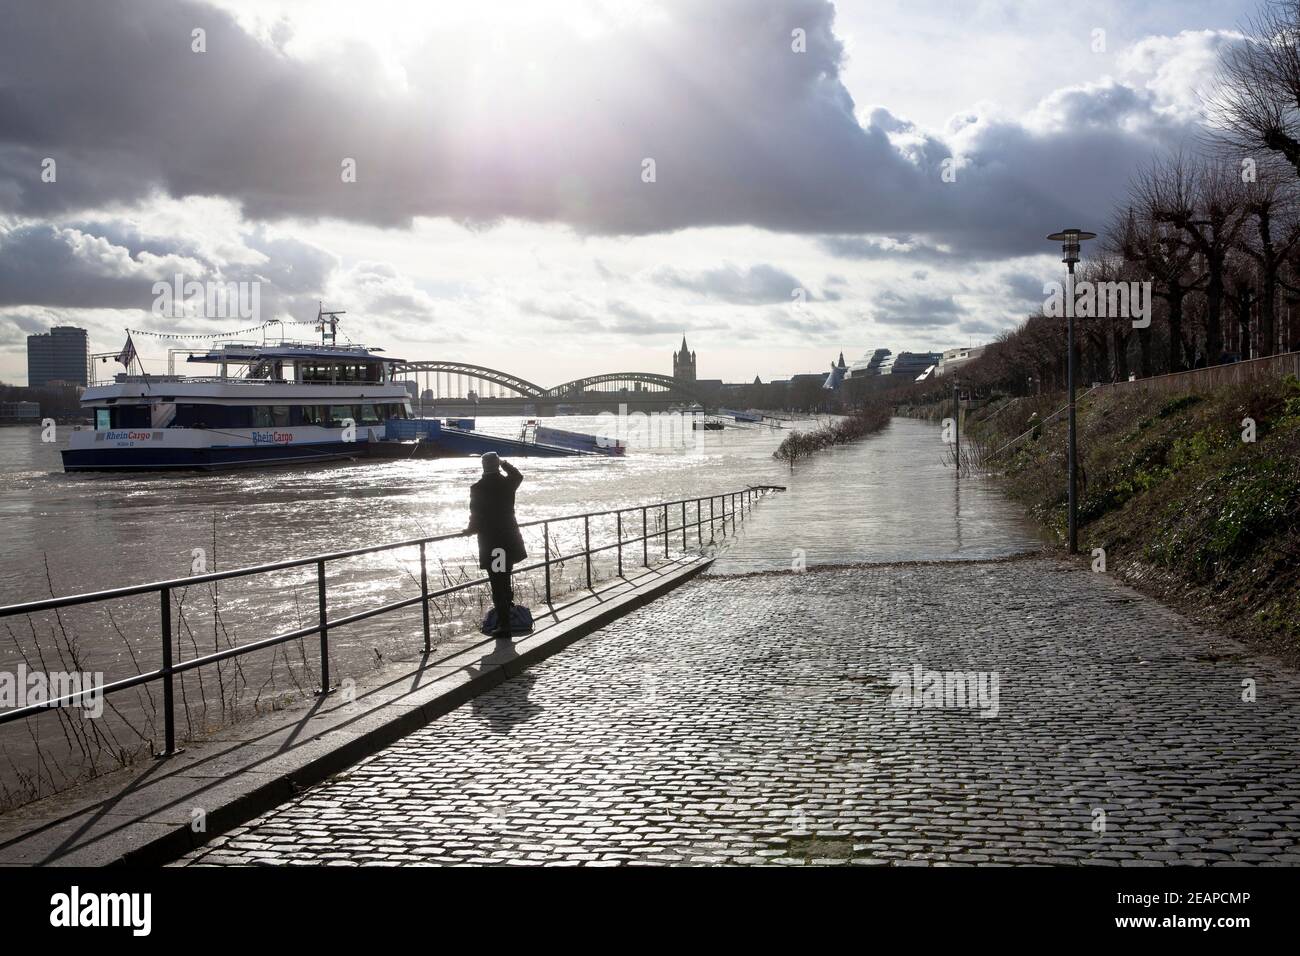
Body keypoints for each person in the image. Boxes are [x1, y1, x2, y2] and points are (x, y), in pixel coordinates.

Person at [464, 452, 526, 639]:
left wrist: (469, 530)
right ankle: (505, 619)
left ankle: (504, 625)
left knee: (498, 583)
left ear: (483, 467)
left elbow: (476, 515)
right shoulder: (508, 483)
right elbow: (518, 475)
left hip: (493, 544)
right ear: (497, 465)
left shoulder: (478, 488)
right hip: (509, 541)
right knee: (504, 578)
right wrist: (504, 463)